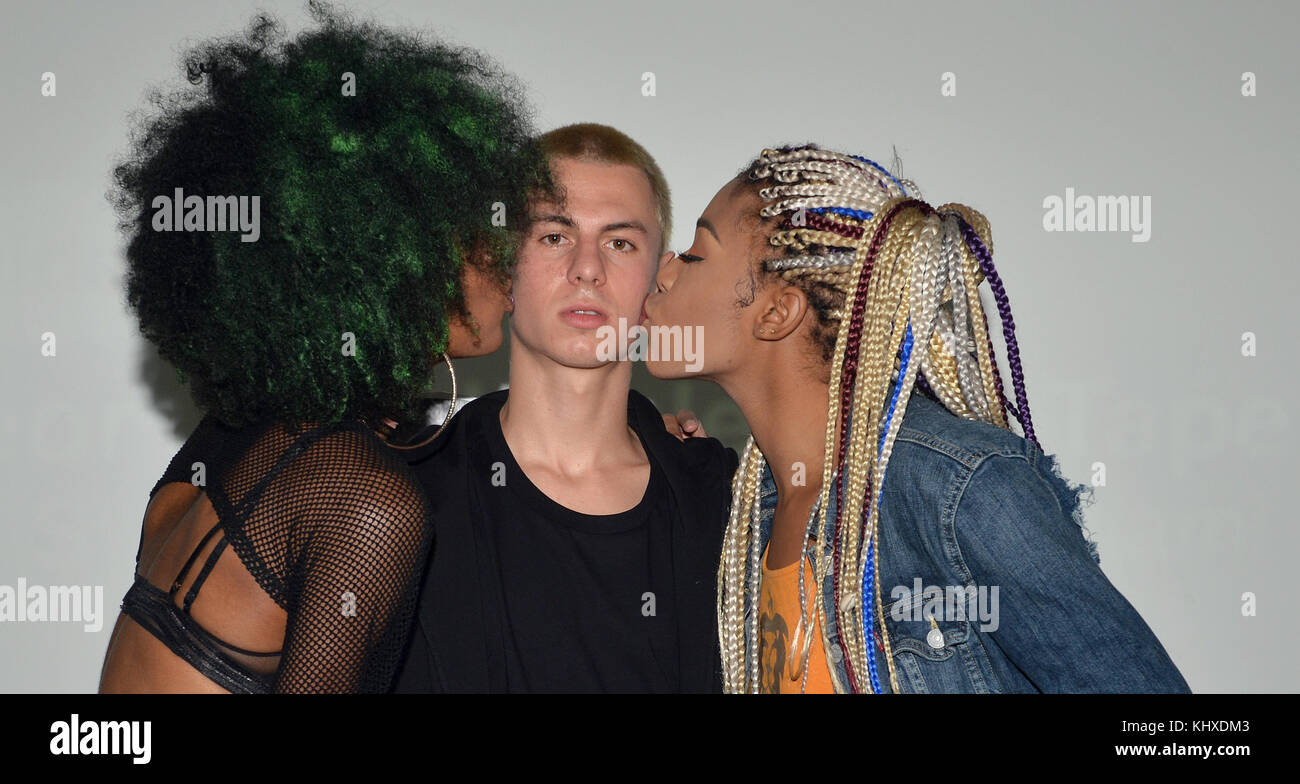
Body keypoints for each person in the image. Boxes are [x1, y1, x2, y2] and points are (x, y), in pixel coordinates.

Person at [98, 4, 553, 693]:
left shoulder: (240, 444)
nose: (507, 259)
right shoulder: (360, 497)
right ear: (391, 265)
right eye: (477, 234)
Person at [642, 144, 1190, 693]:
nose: (662, 271)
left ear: (777, 313)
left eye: (693, 254)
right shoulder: (750, 513)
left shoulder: (957, 490)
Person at [393, 123, 738, 693]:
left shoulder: (727, 503)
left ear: (659, 278)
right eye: (555, 236)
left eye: (620, 242)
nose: (587, 268)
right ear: (504, 265)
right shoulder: (408, 492)